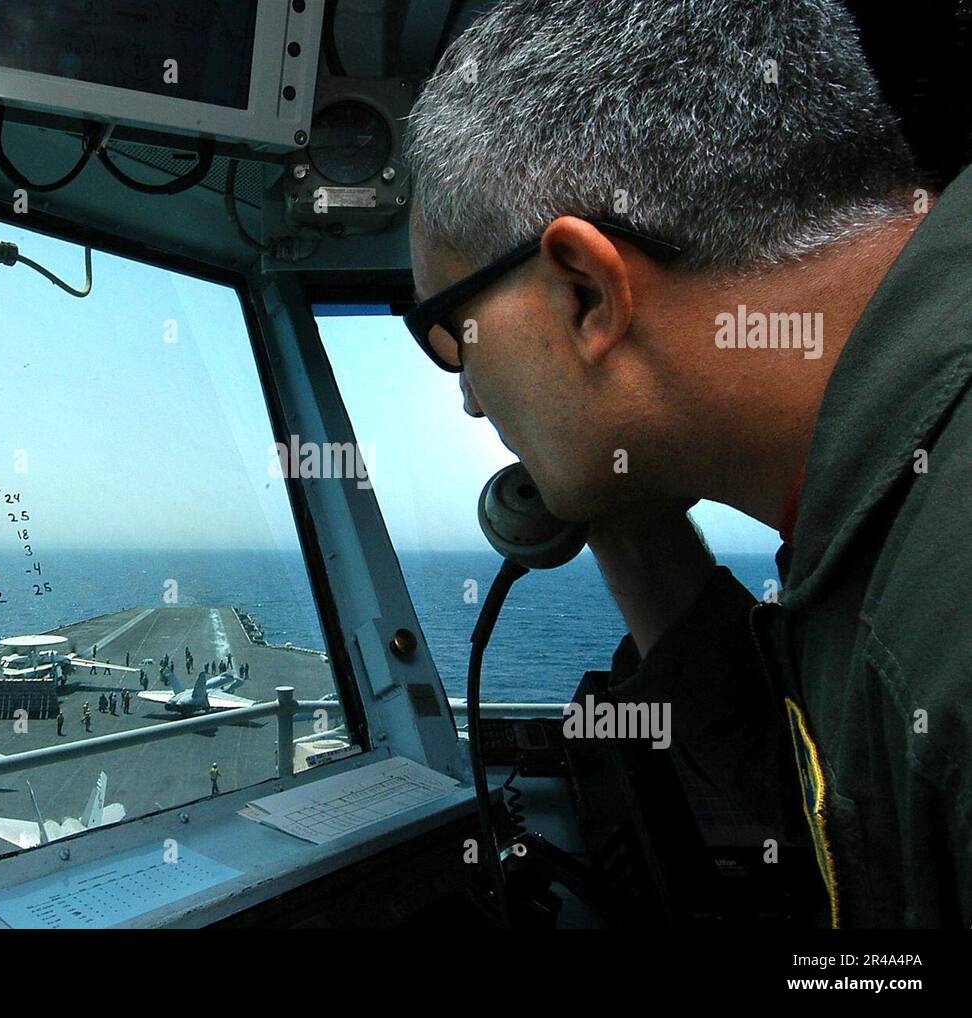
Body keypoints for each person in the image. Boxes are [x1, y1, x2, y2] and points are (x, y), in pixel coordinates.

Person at [403, 0, 970, 927]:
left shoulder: (944, 614)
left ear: (587, 292)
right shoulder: (883, 507)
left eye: (449, 333)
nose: (469, 396)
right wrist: (615, 490)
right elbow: (828, 806)